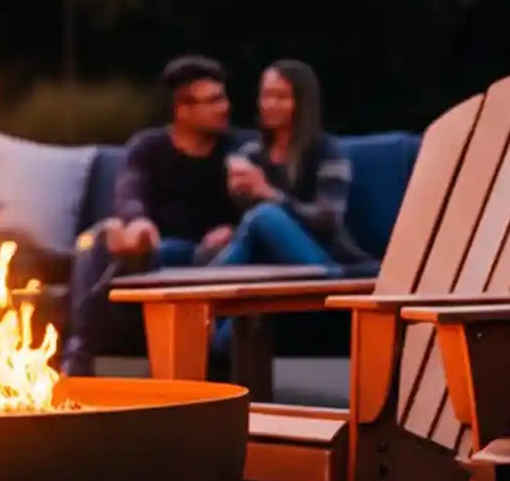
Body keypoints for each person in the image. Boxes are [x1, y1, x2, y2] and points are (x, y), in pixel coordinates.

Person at [62, 55, 243, 377]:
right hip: (151, 248)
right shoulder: (148, 147)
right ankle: (81, 354)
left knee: (158, 253)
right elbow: (130, 191)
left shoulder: (237, 150)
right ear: (183, 109)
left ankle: (84, 343)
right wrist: (138, 223)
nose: (224, 107)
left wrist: (235, 228)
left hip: (205, 255)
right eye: (213, 100)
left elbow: (255, 214)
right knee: (99, 238)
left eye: (223, 97)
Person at [214, 60, 370, 271]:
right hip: (268, 259)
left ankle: (204, 284)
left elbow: (328, 219)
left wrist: (267, 193)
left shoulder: (327, 151)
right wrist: (238, 199)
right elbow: (248, 223)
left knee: (266, 215)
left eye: (281, 97)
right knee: (215, 244)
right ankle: (204, 283)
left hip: (324, 259)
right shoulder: (251, 153)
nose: (270, 104)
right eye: (266, 95)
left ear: (302, 103)